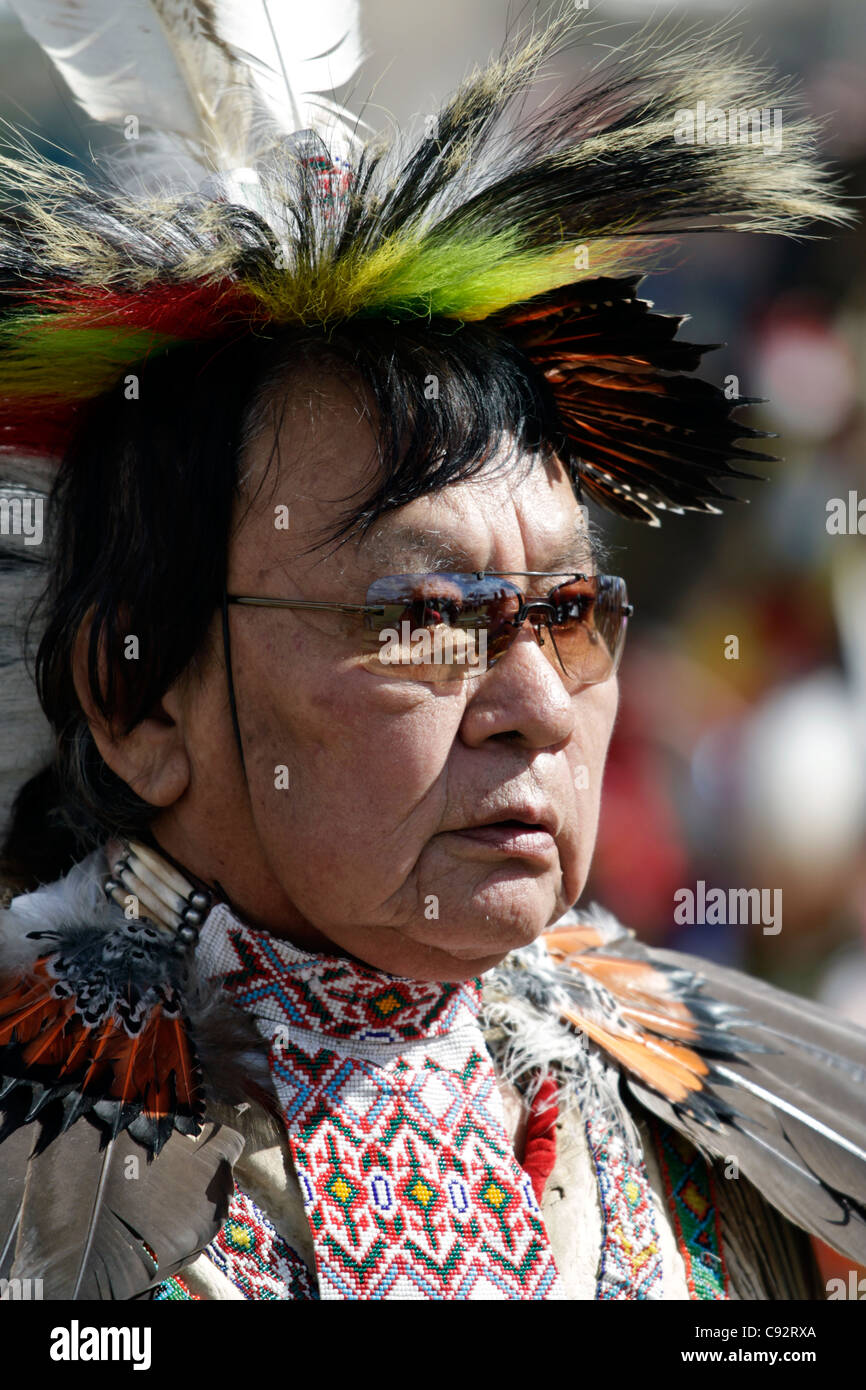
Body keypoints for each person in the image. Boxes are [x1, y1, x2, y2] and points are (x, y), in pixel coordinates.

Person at [0, 6, 863, 1301]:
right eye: (421, 616)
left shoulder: (763, 1135)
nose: (535, 707)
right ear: (136, 699)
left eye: (571, 612)